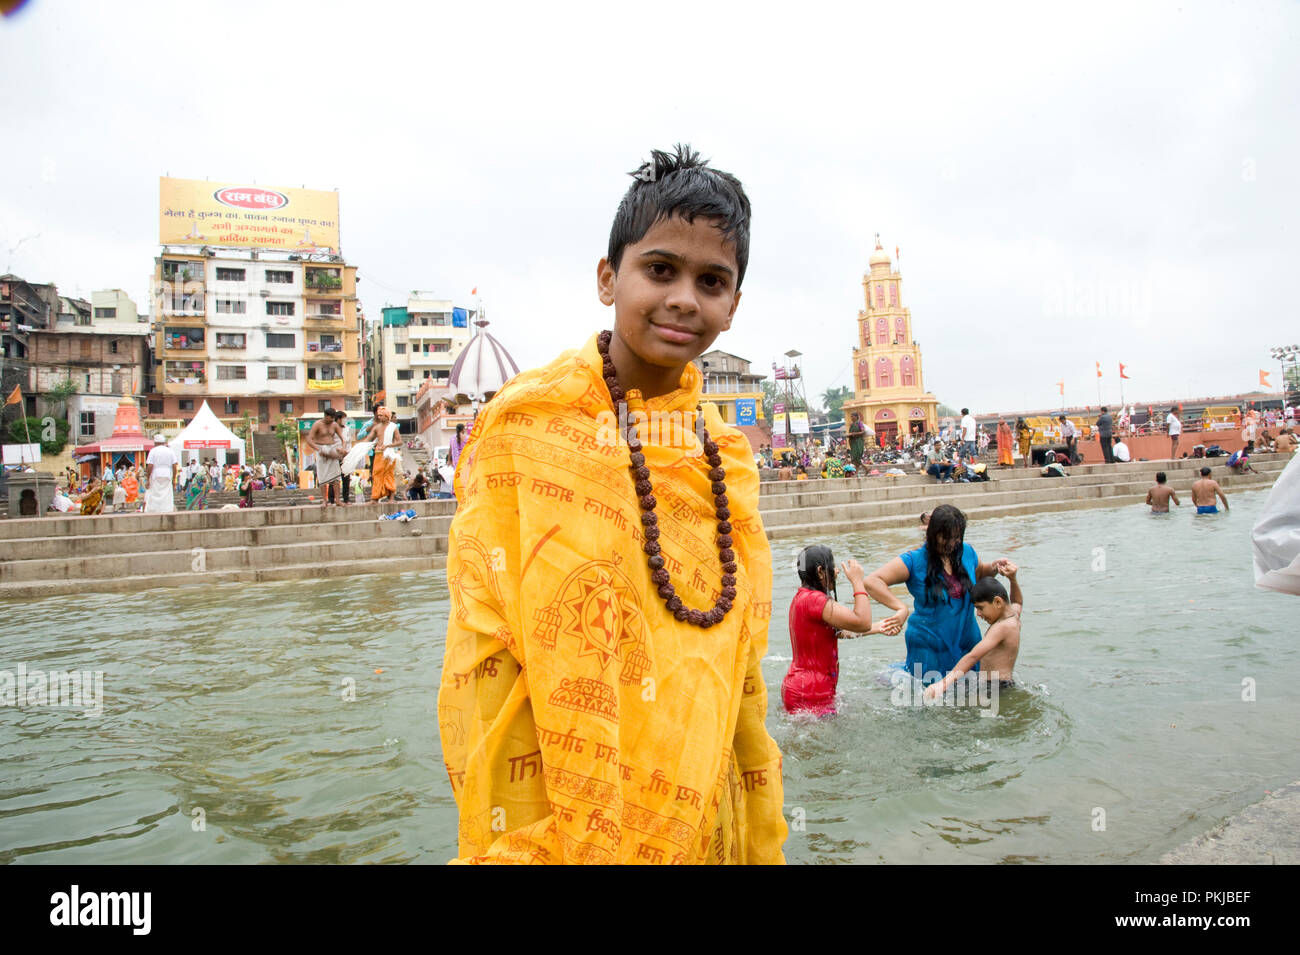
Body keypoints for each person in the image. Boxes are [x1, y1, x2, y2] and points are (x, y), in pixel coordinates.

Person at [438, 144, 784, 864]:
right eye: (660, 269)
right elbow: (487, 651)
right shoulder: (529, 427)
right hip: (559, 828)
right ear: (608, 277)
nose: (685, 297)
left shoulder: (728, 463)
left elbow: (739, 671)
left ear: (734, 304)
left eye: (711, 280)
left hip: (701, 826)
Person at [864, 504, 1005, 685]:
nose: (952, 543)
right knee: (928, 698)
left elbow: (980, 572)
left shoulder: (967, 552)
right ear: (932, 534)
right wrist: (900, 607)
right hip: (929, 645)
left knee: (969, 695)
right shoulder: (913, 561)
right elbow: (872, 581)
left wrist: (995, 566)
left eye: (956, 538)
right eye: (945, 537)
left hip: (966, 640)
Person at [781, 548, 895, 716]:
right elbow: (862, 621)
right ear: (820, 571)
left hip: (804, 689)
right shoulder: (815, 600)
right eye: (832, 567)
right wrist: (857, 581)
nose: (836, 571)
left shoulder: (804, 597)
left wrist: (877, 627)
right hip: (810, 694)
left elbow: (838, 631)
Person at [924, 561, 1022, 699]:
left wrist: (943, 684)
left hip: (993, 688)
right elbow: (1017, 602)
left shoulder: (1002, 628)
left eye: (980, 607)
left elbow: (974, 656)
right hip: (1002, 684)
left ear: (998, 602)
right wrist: (1013, 580)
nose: (978, 614)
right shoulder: (1014, 617)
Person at [370, 406, 400, 502]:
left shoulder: (393, 427)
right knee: (376, 475)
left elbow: (399, 442)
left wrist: (387, 446)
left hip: (389, 454)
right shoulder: (377, 427)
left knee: (389, 475)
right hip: (378, 454)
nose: (379, 417)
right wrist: (360, 447)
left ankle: (391, 498)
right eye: (378, 415)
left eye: (381, 415)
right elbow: (368, 438)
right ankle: (375, 498)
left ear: (387, 416)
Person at [144, 434, 177, 513]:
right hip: (167, 475)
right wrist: (174, 479)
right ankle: (167, 510)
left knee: (154, 493)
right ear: (164, 442)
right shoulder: (170, 451)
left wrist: (148, 479)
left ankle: (155, 510)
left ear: (155, 443)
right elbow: (174, 466)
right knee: (167, 494)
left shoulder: (153, 451)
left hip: (156, 474)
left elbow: (150, 466)